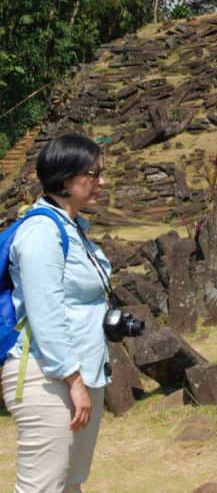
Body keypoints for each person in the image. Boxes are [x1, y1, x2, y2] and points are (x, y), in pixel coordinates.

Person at [1, 134, 112, 492]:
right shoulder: (41, 232)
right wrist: (73, 380)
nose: (101, 182)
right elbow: (45, 311)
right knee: (42, 488)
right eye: (94, 173)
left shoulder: (72, 228)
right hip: (48, 377)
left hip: (78, 376)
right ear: (66, 179)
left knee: (68, 485)